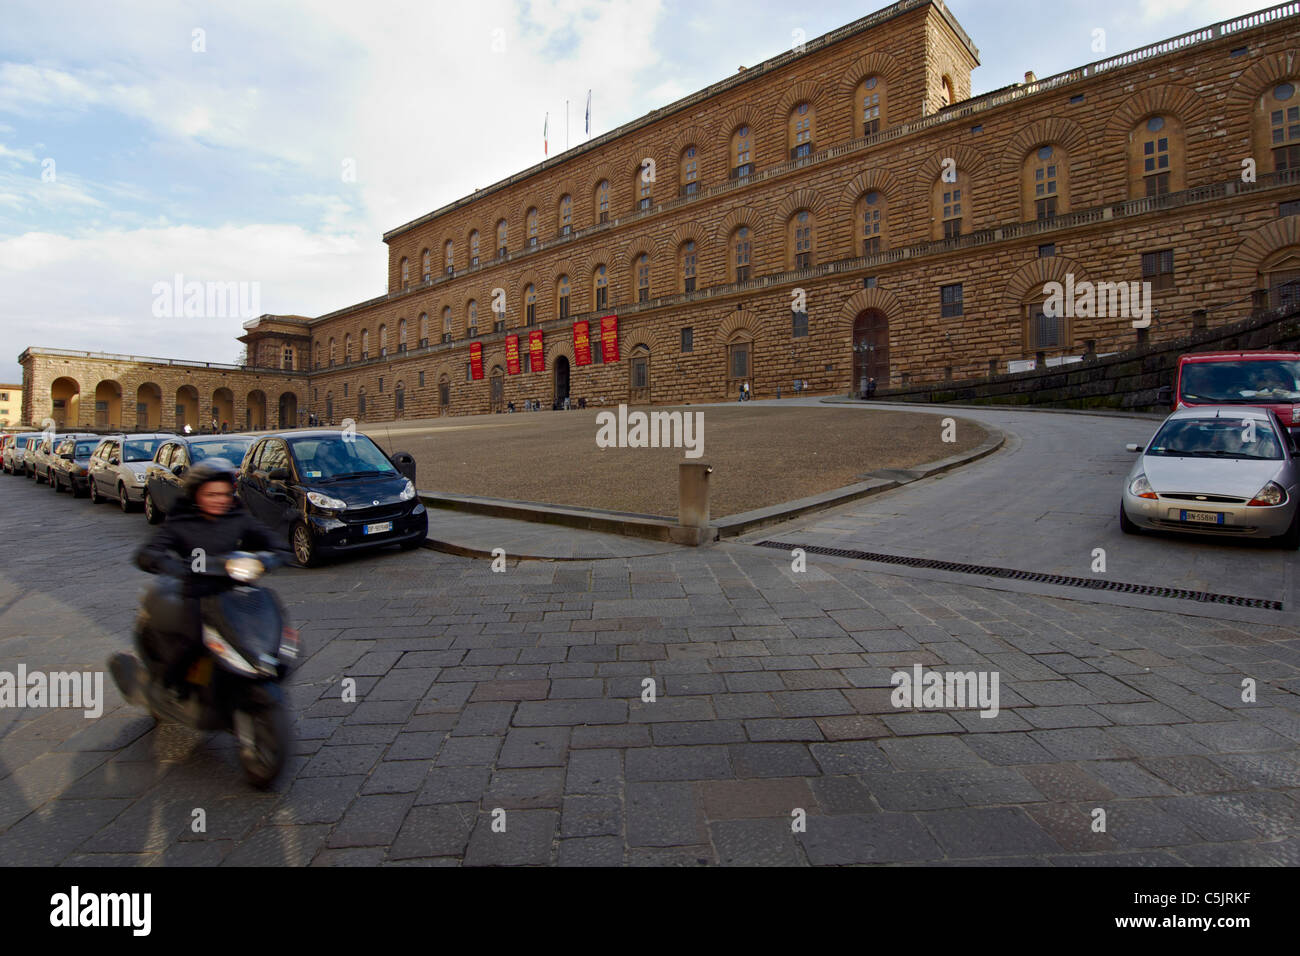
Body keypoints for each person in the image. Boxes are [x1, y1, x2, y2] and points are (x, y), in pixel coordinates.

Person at [135, 459, 280, 700]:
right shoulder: (180, 521)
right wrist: (170, 565)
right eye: (211, 494)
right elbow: (149, 552)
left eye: (224, 494)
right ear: (196, 495)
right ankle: (166, 687)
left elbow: (269, 539)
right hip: (197, 592)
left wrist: (271, 557)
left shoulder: (237, 517)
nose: (220, 499)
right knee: (192, 641)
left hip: (235, 590)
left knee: (265, 627)